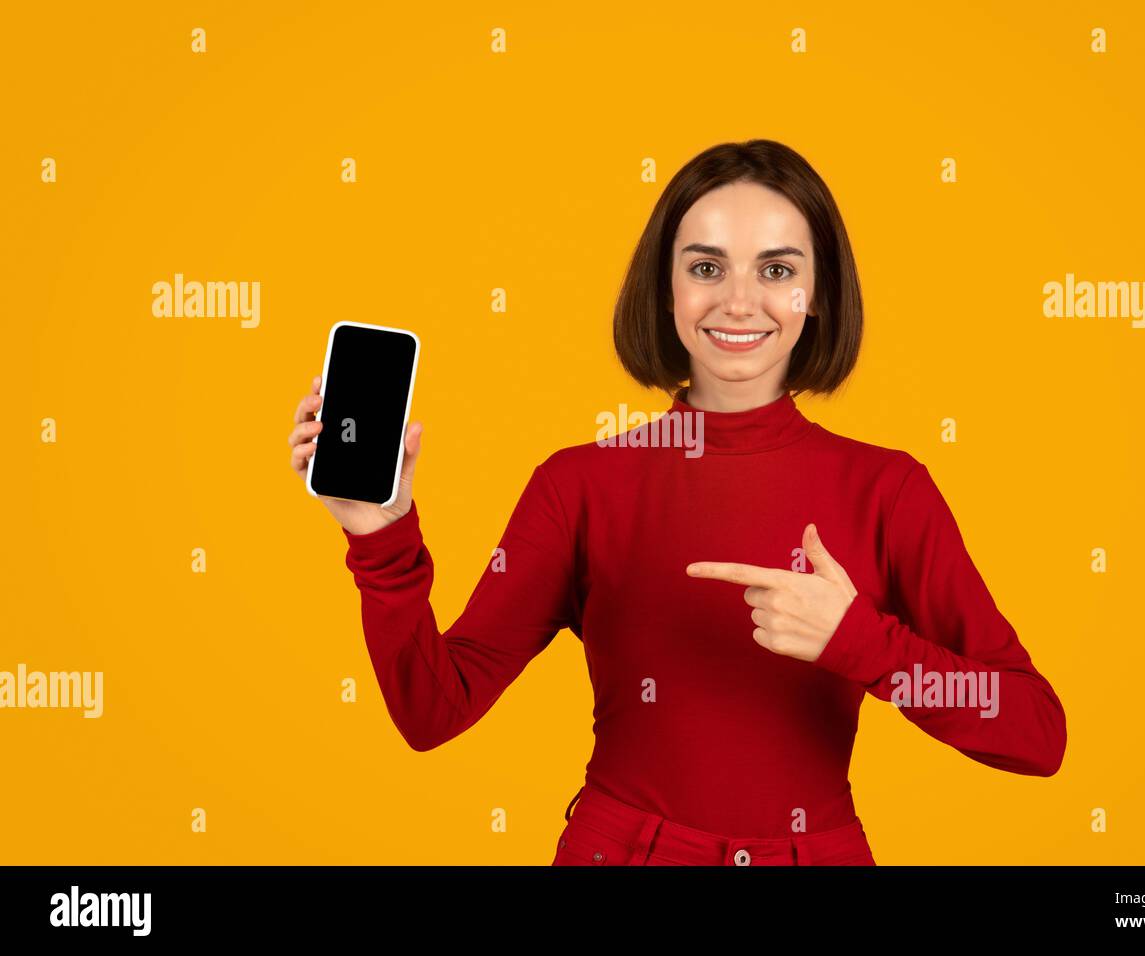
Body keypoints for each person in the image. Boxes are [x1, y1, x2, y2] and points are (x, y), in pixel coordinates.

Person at [287, 139, 1067, 866]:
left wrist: (861, 641)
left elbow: (1036, 734)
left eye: (776, 269)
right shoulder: (580, 485)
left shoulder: (888, 490)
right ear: (664, 289)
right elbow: (433, 711)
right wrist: (379, 542)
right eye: (704, 268)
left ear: (818, 291)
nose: (737, 301)